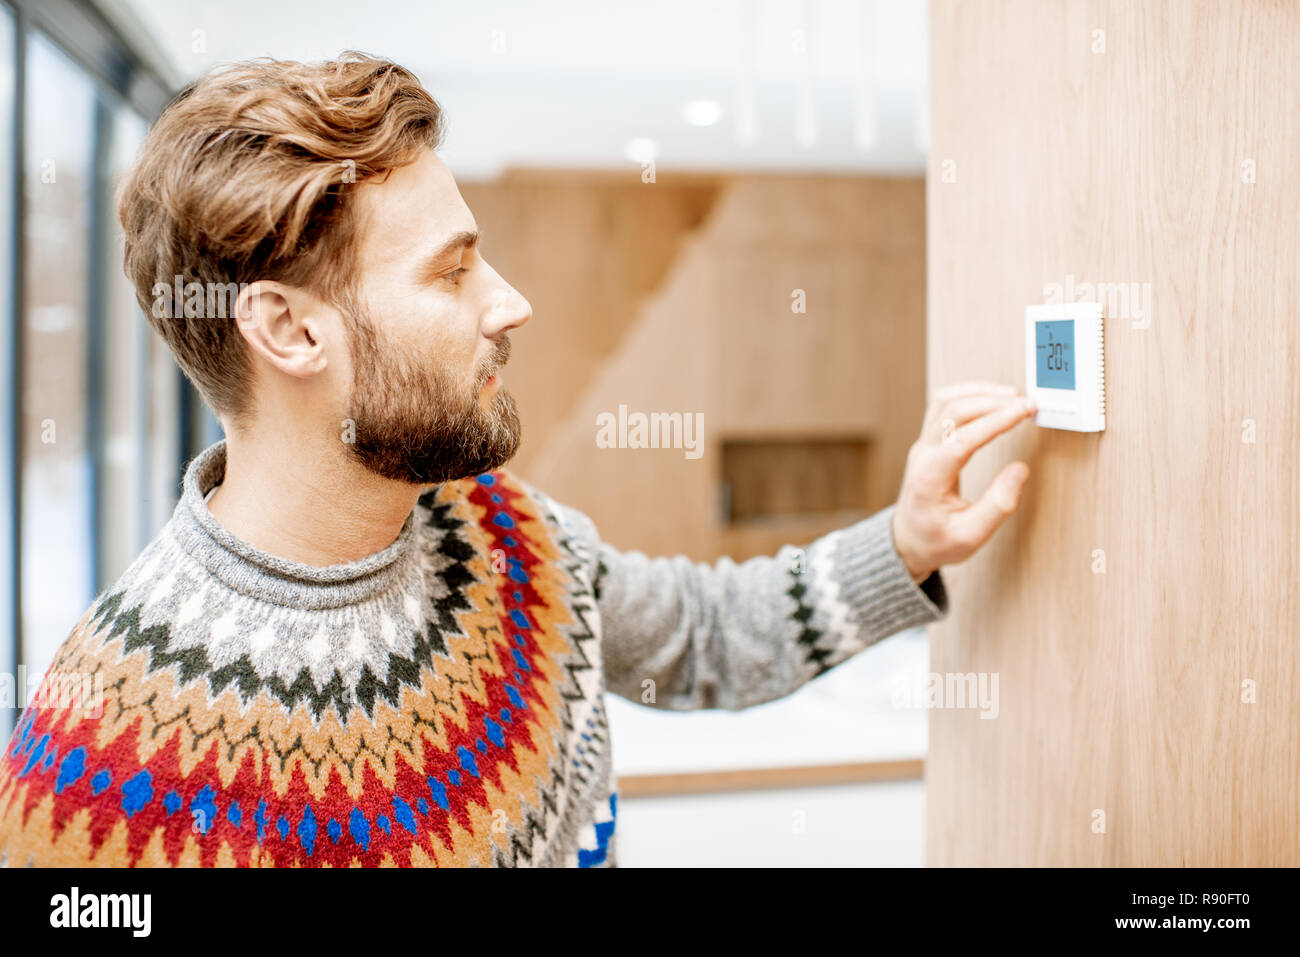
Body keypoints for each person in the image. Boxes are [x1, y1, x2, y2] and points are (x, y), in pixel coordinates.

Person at [0, 53, 1035, 867]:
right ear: (290, 332)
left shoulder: (494, 525)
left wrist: (904, 544)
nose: (511, 303)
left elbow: (703, 638)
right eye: (452, 274)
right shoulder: (98, 775)